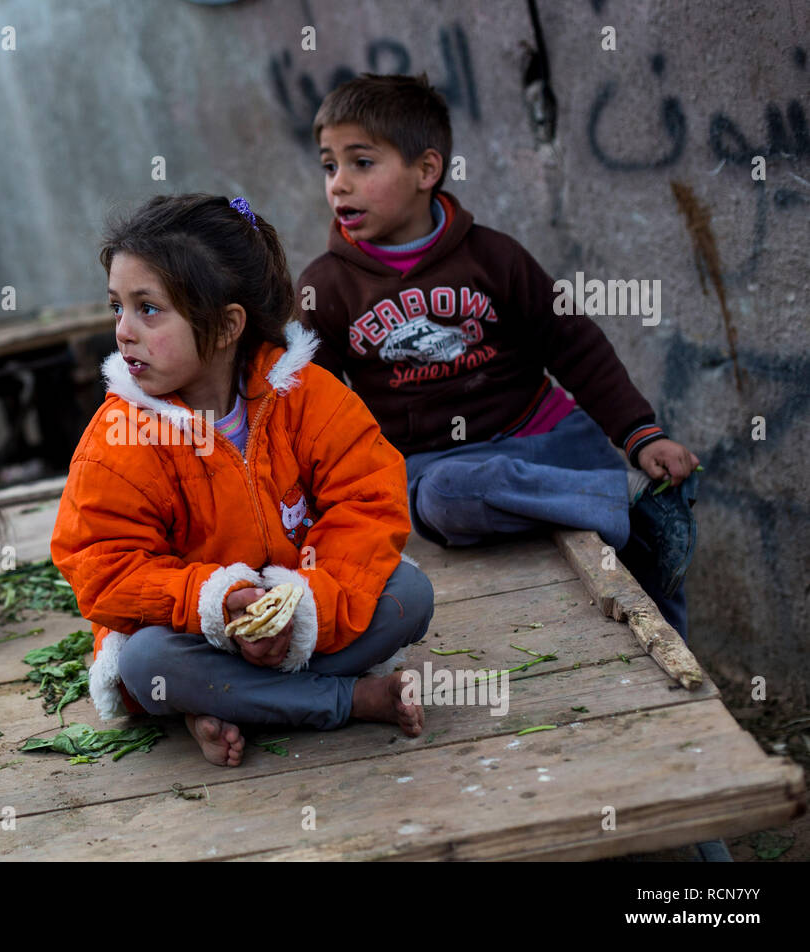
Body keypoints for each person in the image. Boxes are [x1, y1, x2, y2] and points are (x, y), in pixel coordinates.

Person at [298, 74, 699, 637]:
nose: (339, 184)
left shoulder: (493, 257)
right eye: (329, 166)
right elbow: (312, 402)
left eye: (361, 163)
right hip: (439, 463)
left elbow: (573, 341)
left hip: (546, 433)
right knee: (442, 499)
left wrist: (641, 433)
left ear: (427, 170)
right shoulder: (327, 287)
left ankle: (682, 671)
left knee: (656, 566)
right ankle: (628, 507)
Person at [50, 194, 433, 768]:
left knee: (409, 595)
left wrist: (303, 608)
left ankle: (227, 702)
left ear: (228, 325)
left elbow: (369, 501)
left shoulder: (305, 397)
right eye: (116, 307)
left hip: (307, 608)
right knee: (147, 663)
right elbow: (102, 569)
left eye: (148, 309)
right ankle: (344, 700)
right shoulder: (119, 437)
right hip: (191, 635)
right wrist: (219, 603)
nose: (123, 331)